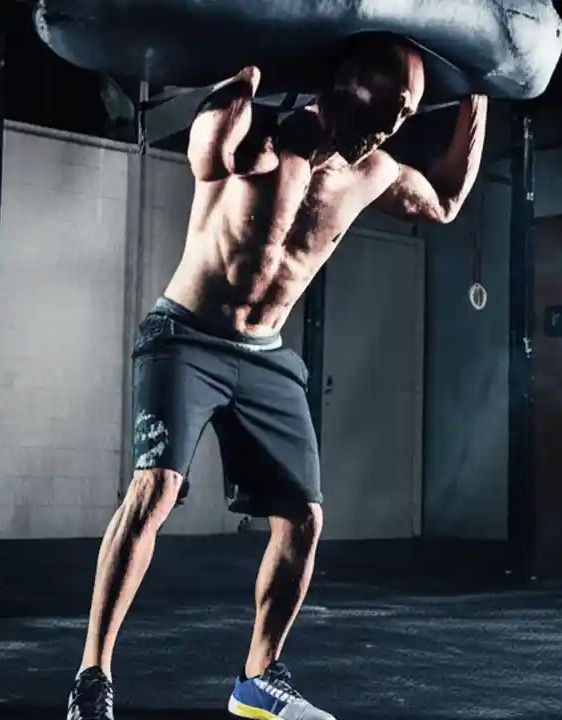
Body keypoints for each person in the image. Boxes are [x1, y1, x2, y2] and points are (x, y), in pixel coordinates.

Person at [67, 33, 487, 720]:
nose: (392, 125)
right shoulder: (264, 138)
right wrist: (238, 86)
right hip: (186, 335)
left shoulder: (374, 171)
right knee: (156, 490)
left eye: (407, 115)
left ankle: (257, 682)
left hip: (264, 353)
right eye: (388, 106)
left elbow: (442, 200)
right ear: (349, 81)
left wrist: (478, 89)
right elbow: (210, 154)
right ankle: (92, 679)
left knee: (304, 519)